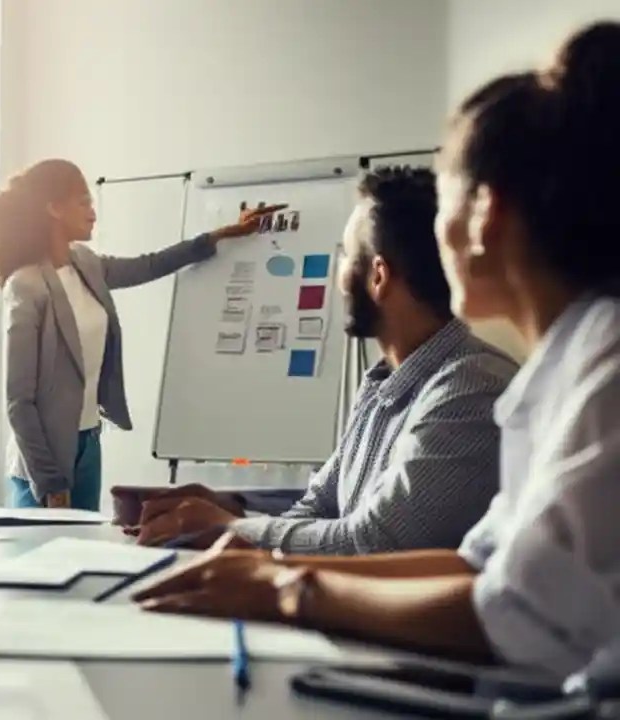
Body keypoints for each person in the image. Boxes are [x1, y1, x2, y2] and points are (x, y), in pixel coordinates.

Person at [133, 21, 620, 680]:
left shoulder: (592, 364)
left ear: (487, 218)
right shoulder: (564, 362)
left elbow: (512, 613)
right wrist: (266, 558)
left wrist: (289, 587)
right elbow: (479, 564)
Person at [133, 166, 518, 554]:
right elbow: (320, 505)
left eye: (347, 254)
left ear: (378, 276)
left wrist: (229, 527)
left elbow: (372, 542)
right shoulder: (385, 385)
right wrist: (227, 510)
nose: (339, 271)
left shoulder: (470, 389)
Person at [0, 159, 281, 511]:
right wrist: (50, 481)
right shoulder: (27, 286)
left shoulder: (86, 263)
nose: (93, 213)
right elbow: (19, 401)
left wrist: (221, 235)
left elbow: (149, 265)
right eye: (83, 202)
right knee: (46, 560)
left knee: (83, 550)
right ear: (53, 208)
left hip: (88, 443)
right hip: (42, 459)